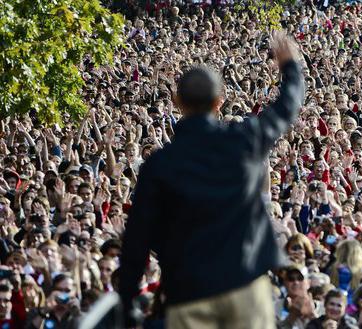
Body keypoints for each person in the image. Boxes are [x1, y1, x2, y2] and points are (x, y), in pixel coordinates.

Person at [117, 31, 305, 328]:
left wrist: (127, 300)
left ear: (177, 101)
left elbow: (138, 237)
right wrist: (290, 65)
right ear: (219, 101)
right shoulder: (245, 139)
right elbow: (287, 107)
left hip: (189, 294)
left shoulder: (159, 164)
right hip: (246, 288)